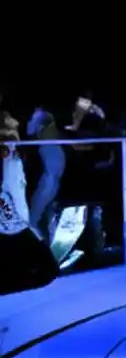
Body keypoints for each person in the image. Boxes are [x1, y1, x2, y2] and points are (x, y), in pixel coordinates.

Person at [0, 111, 58, 295]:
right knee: (48, 269)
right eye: (10, 118)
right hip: (11, 225)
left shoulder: (13, 148)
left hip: (17, 224)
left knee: (45, 269)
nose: (16, 120)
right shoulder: (6, 147)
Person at [25, 106, 64, 241]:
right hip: (50, 180)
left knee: (34, 220)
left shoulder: (50, 143)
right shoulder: (50, 146)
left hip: (51, 181)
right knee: (36, 219)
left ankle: (43, 246)